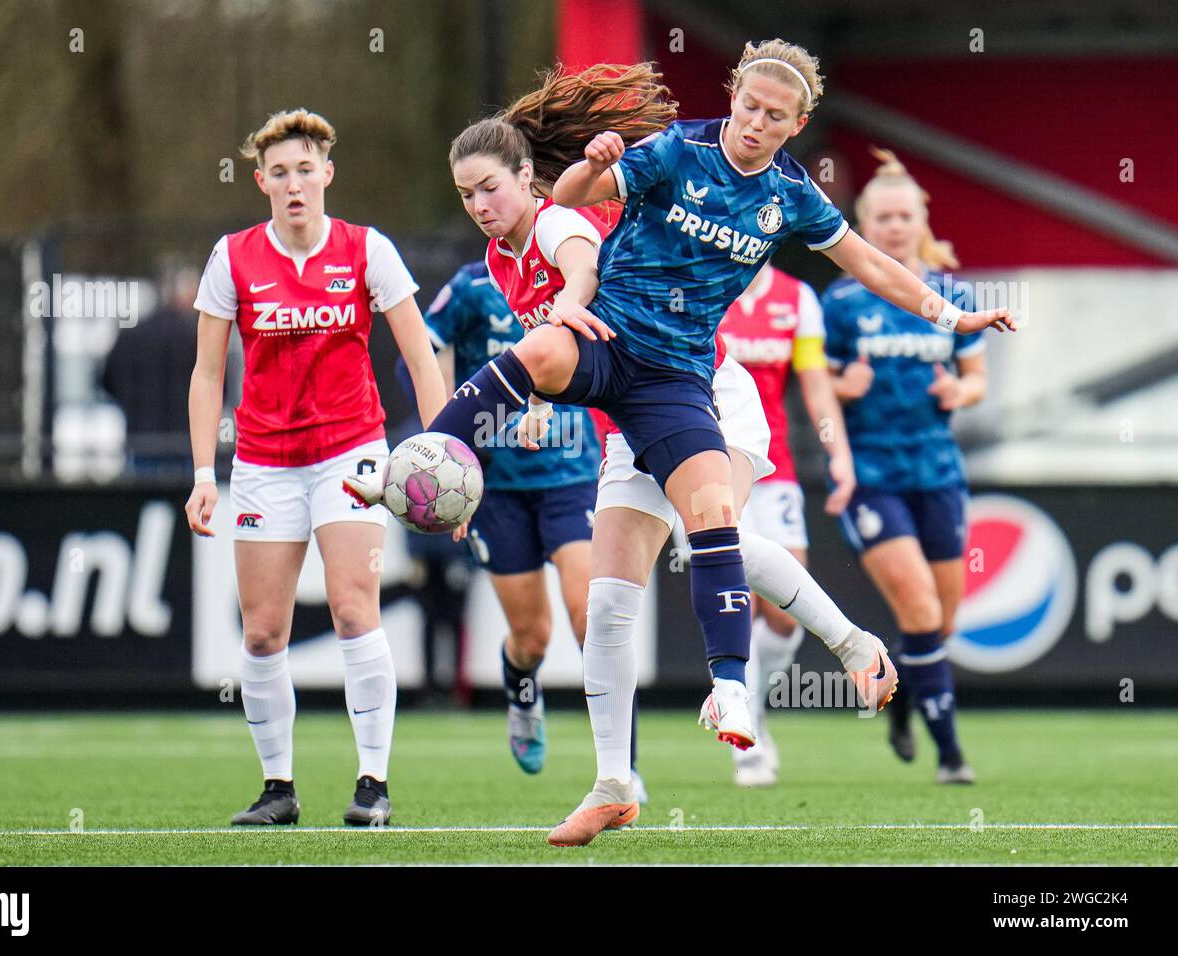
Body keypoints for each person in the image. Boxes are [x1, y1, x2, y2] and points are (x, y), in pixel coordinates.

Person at [351, 43, 1012, 846]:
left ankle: (744, 685)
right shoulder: (549, 228)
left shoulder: (778, 194)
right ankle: (614, 783)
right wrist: (594, 173)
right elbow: (576, 204)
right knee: (613, 590)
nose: (756, 125)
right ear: (731, 97)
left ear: (797, 125)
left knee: (711, 529)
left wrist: (952, 319)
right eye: (748, 107)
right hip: (625, 385)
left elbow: (866, 262)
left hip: (699, 387)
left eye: (776, 116)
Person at [185, 109, 447, 827]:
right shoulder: (232, 257)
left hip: (352, 453)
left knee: (353, 608)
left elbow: (421, 358)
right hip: (265, 461)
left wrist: (450, 454)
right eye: (281, 173)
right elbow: (207, 374)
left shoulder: (367, 250)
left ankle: (373, 784)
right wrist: (205, 473)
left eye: (307, 170)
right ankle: (278, 789)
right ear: (261, 181)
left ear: (327, 174)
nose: (295, 184)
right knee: (263, 632)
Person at [824, 148, 988, 784]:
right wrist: (843, 382)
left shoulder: (953, 296)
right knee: (919, 610)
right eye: (882, 217)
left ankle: (902, 701)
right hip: (872, 475)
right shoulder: (841, 301)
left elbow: (976, 378)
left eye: (904, 215)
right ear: (865, 224)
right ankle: (951, 757)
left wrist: (960, 392)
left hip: (938, 470)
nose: (894, 226)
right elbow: (813, 380)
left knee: (940, 621)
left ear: (922, 220)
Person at [418, 259, 612, 782]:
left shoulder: (579, 273)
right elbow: (419, 352)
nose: (484, 205)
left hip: (571, 477)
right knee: (532, 638)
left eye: (491, 188)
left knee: (594, 619)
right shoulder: (471, 287)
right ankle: (523, 698)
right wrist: (450, 460)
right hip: (496, 486)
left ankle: (623, 768)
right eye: (472, 193)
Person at [717, 262, 855, 786]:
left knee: (784, 617)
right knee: (739, 595)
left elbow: (816, 386)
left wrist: (836, 452)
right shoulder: (701, 276)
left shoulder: (797, 298)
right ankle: (743, 734)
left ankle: (752, 709)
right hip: (712, 463)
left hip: (775, 470)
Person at [101, 257, 200, 477]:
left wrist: (130, 402)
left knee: (137, 495)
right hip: (185, 438)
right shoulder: (194, 338)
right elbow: (217, 384)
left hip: (141, 436)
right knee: (187, 501)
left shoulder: (133, 335)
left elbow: (106, 379)